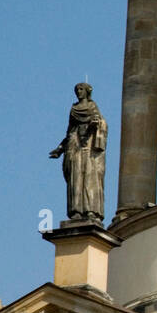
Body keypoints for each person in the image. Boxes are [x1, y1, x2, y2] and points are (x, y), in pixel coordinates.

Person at [49, 83, 107, 223]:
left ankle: (90, 210)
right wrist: (60, 148)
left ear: (87, 92)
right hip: (75, 147)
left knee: (89, 178)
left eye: (81, 89)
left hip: (89, 147)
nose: (78, 92)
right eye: (77, 90)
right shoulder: (74, 109)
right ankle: (76, 211)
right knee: (75, 179)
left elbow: (100, 123)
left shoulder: (93, 108)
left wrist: (95, 125)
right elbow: (69, 131)